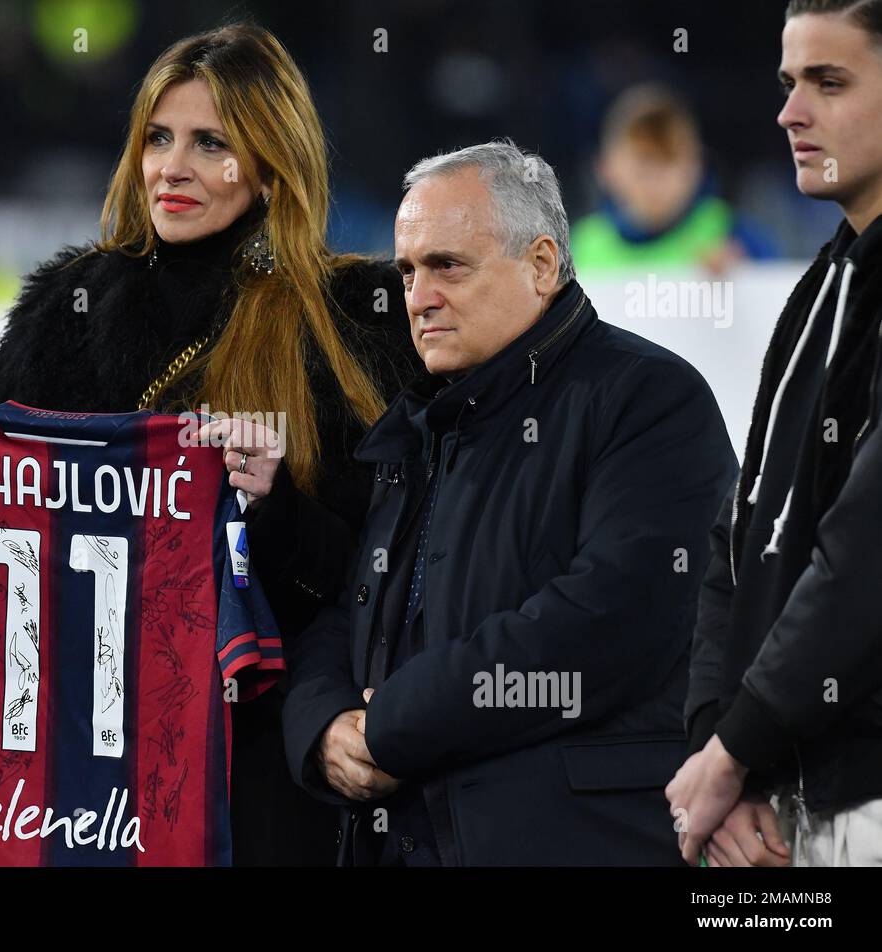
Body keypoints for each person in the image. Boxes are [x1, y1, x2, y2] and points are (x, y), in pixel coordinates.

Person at [0, 23, 421, 865]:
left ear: (271, 161)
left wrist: (272, 511)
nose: (173, 167)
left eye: (211, 144)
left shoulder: (353, 319)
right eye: (158, 139)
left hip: (258, 762)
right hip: (70, 763)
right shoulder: (67, 307)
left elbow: (384, 573)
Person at [280, 140, 736, 866]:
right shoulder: (421, 424)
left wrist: (390, 725)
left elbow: (608, 623)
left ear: (543, 263)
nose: (419, 297)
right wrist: (321, 725)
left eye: (447, 266)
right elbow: (348, 608)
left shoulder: (650, 398)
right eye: (407, 271)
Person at [668, 0, 882, 868]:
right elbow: (736, 538)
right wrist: (727, 748)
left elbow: (862, 555)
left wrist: (732, 752)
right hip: (781, 800)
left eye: (829, 83)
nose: (790, 112)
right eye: (790, 83)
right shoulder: (818, 287)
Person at [570, 84, 778, 275]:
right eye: (642, 165)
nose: (655, 180)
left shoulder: (730, 234)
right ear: (606, 168)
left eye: (669, 162)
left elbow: (776, 290)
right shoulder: (580, 247)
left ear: (696, 166)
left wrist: (744, 271)